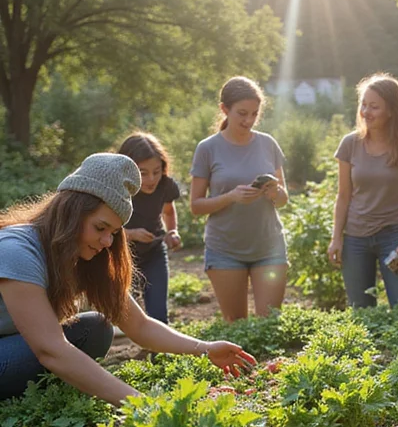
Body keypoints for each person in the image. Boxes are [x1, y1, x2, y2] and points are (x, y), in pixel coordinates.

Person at [0, 153, 255, 403]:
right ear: (70, 213)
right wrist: (140, 403)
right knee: (60, 349)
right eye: (100, 228)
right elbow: (50, 350)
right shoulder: (17, 250)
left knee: (96, 329)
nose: (106, 241)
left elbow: (140, 326)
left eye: (113, 232)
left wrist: (205, 348)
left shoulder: (81, 258)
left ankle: (46, 395)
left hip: (15, 347)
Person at [190, 76, 288, 321]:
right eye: (242, 113)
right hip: (225, 249)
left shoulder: (268, 144)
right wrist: (232, 197)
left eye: (254, 114)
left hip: (269, 246)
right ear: (225, 109)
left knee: (269, 324)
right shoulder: (207, 148)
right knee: (237, 328)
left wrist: (274, 192)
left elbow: (284, 197)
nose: (249, 120)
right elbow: (196, 206)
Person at [327, 73, 398, 308]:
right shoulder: (350, 144)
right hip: (355, 238)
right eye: (363, 105)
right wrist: (336, 238)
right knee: (361, 312)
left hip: (394, 235)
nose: (366, 112)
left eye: (374, 107)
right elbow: (343, 196)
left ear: (391, 111)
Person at [119, 132, 181, 324]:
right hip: (121, 256)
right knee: (127, 316)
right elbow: (100, 229)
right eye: (143, 172)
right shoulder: (115, 188)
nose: (151, 179)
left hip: (154, 252)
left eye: (156, 171)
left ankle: (158, 353)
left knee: (159, 314)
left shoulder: (166, 185)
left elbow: (169, 212)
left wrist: (172, 232)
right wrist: (130, 234)